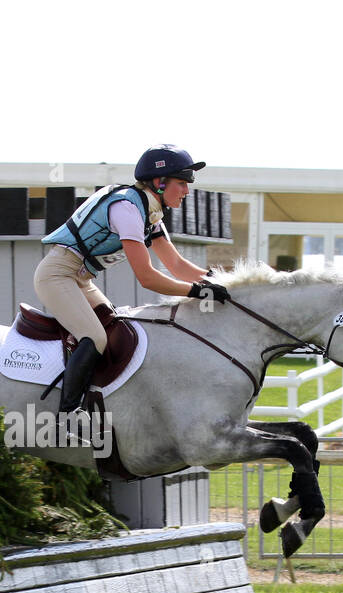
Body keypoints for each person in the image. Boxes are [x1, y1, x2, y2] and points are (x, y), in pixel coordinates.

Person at [35, 144, 231, 415]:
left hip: (79, 279)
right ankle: (67, 416)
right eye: (182, 183)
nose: (187, 190)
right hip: (57, 275)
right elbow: (147, 277)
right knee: (94, 337)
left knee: (117, 331)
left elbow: (176, 264)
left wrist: (220, 282)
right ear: (160, 183)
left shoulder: (149, 213)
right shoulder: (127, 208)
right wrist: (198, 292)